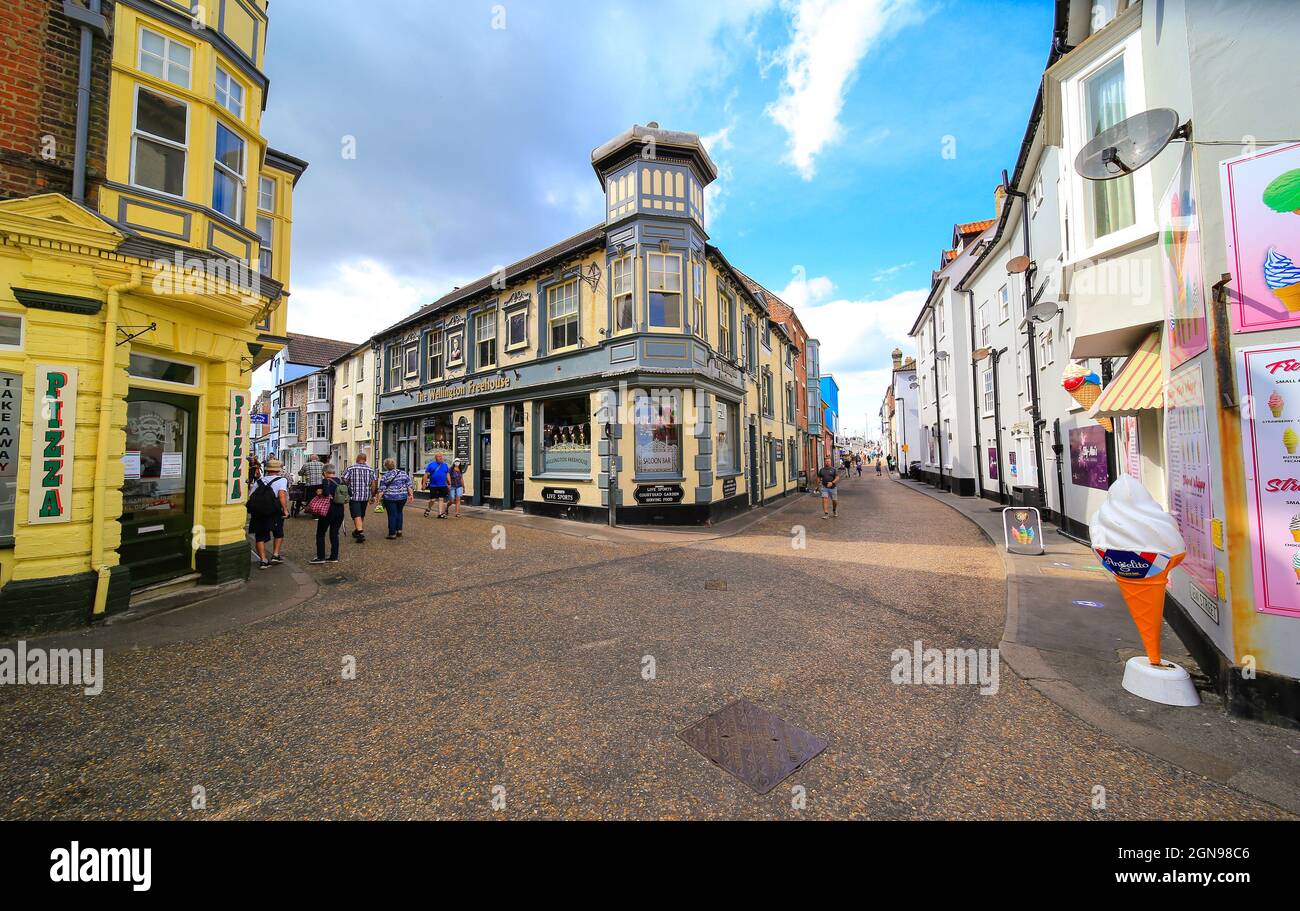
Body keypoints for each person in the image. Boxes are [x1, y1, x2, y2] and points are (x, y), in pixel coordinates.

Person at [249, 458, 290, 568]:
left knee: (260, 535)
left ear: (267, 470)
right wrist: (285, 510)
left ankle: (263, 560)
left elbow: (251, 496)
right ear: (278, 470)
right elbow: (281, 495)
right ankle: (275, 555)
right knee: (278, 532)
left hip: (259, 511)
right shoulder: (282, 480)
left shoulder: (259, 481)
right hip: (274, 510)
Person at [310, 464, 346, 564]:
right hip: (339, 510)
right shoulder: (340, 481)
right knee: (334, 534)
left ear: (325, 473)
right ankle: (334, 556)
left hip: (328, 510)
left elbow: (326, 493)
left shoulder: (326, 480)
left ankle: (320, 557)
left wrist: (320, 492)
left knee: (321, 533)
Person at [343, 452, 377, 542]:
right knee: (361, 514)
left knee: (356, 514)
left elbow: (344, 479)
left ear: (357, 459)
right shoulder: (371, 470)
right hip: (365, 496)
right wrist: (373, 495)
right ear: (365, 460)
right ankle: (357, 530)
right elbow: (374, 484)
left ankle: (360, 532)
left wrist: (348, 486)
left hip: (354, 495)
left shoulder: (351, 468)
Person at [378, 457, 414, 539]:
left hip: (390, 497)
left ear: (386, 466)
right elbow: (409, 485)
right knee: (399, 512)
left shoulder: (385, 476)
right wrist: (411, 495)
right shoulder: (403, 473)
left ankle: (392, 533)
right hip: (402, 497)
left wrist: (378, 498)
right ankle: (399, 530)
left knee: (392, 514)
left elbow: (382, 489)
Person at [423, 452, 451, 519]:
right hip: (433, 485)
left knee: (441, 499)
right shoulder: (431, 465)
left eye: (441, 456)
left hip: (443, 485)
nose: (440, 457)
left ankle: (440, 513)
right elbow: (426, 474)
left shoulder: (445, 465)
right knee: (433, 500)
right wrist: (424, 483)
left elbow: (447, 474)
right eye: (439, 456)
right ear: (435, 458)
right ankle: (428, 508)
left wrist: (449, 483)